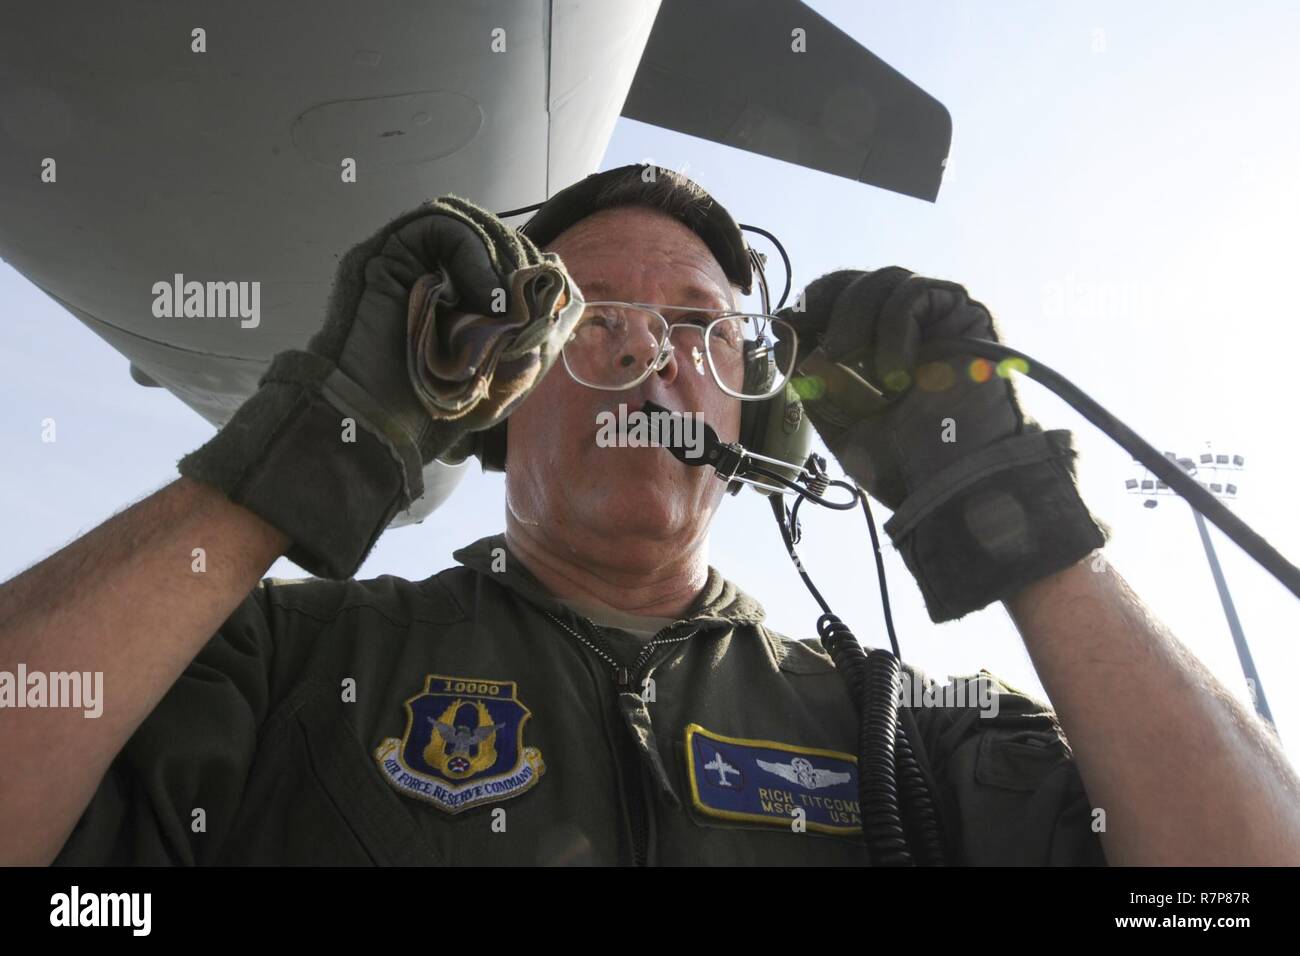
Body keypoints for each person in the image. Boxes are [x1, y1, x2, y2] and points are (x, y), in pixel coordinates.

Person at [2, 165, 1296, 866]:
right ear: (491, 396)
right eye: (588, 320)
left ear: (755, 420)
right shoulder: (289, 662)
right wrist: (299, 462)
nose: (645, 357)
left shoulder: (914, 735)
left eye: (694, 327)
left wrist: (1017, 525)